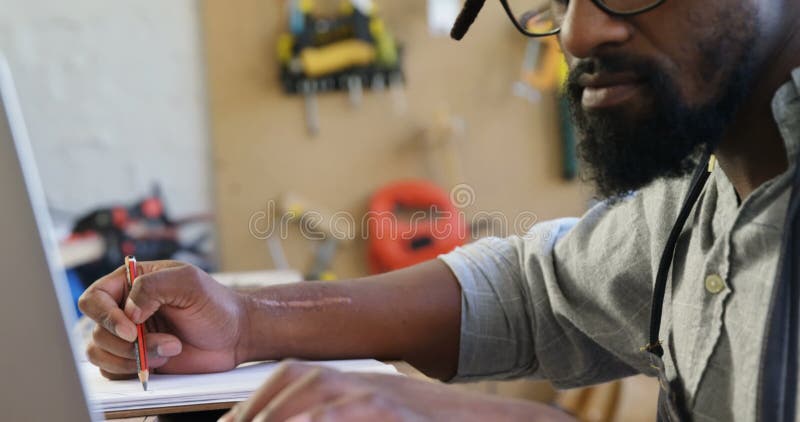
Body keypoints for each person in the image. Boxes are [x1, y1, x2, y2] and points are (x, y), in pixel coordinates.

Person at [79, 0, 800, 420]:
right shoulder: (704, 190)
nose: (579, 34)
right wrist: (249, 324)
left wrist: (441, 414)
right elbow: (535, 295)